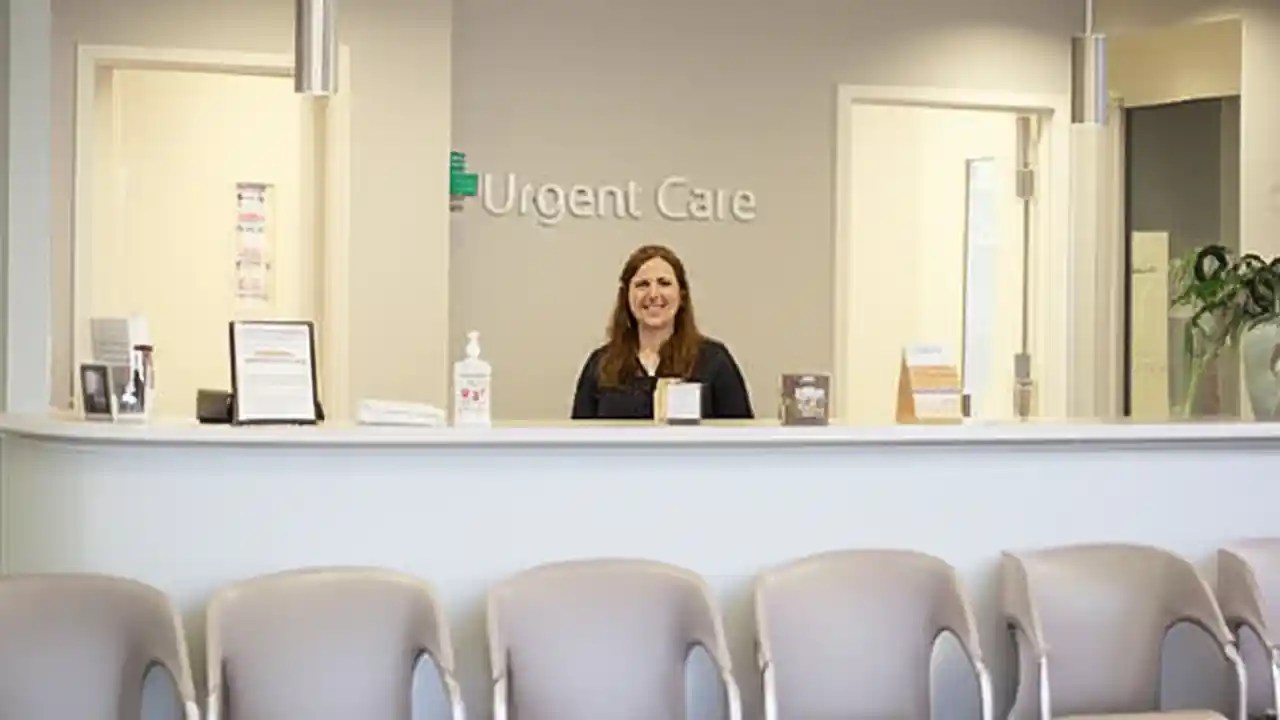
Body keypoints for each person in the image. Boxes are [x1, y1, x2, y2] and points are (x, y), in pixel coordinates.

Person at [572, 244, 753, 420]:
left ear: (681, 295)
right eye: (642, 284)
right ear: (626, 296)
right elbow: (577, 443)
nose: (653, 294)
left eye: (664, 283)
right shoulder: (600, 364)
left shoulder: (715, 361)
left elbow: (743, 439)